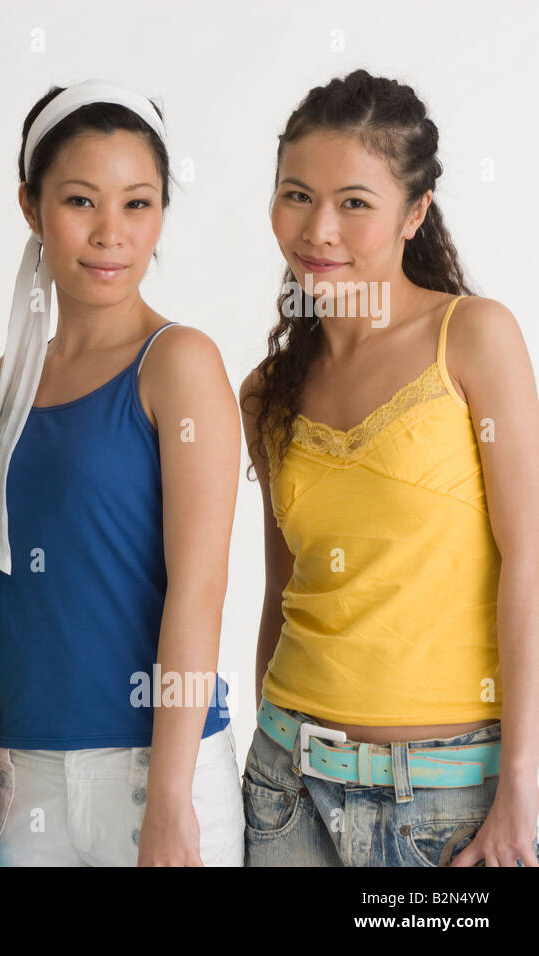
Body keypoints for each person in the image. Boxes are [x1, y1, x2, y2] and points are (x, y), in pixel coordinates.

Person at [239, 69, 539, 867]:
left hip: (450, 801)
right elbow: (280, 591)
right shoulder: (267, 391)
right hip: (287, 788)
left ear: (415, 213)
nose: (319, 230)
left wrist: (522, 787)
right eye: (296, 195)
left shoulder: (474, 339)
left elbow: (528, 563)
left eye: (355, 204)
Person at [0, 80, 244, 866]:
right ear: (31, 206)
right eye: (81, 201)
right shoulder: (7, 380)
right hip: (24, 777)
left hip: (155, 771)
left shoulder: (179, 364)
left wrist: (168, 796)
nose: (110, 234)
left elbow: (201, 587)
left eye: (138, 204)